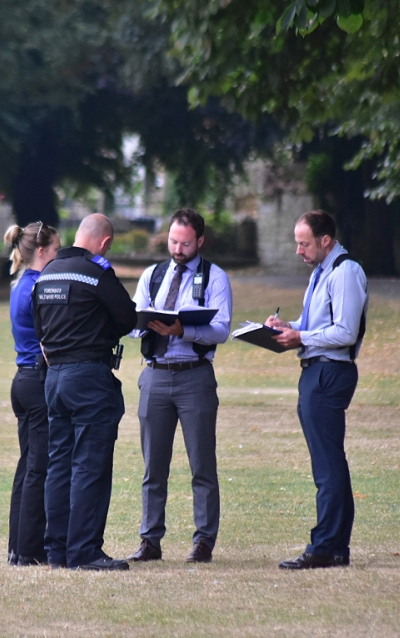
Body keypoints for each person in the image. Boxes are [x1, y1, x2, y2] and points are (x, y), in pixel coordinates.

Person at [125, 209, 232, 564]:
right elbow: (132, 321)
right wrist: (144, 323)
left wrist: (183, 330)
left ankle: (204, 541)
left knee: (202, 464)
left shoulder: (214, 277)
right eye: (173, 241)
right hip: (155, 374)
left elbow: (221, 329)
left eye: (185, 243)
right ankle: (149, 540)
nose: (178, 248)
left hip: (194, 375)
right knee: (153, 466)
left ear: (200, 241)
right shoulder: (153, 275)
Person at [32, 213, 137, 571]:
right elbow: (126, 317)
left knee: (59, 464)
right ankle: (85, 551)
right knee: (90, 464)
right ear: (105, 243)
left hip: (54, 378)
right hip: (89, 377)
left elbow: (39, 327)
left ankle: (58, 551)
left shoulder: (45, 275)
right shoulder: (95, 273)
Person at [266, 210, 368, 570]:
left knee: (327, 466)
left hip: (330, 373)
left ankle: (325, 545)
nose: (298, 251)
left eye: (304, 243)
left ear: (326, 240)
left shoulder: (345, 272)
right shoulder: (320, 274)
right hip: (316, 371)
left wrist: (301, 336)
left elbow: (345, 332)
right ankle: (336, 546)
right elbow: (315, 325)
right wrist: (286, 327)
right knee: (329, 463)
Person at [4, 221, 60, 567]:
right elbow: (47, 342)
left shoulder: (19, 284)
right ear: (41, 251)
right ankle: (29, 551)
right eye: (55, 250)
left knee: (27, 468)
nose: (58, 255)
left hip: (22, 381)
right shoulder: (39, 287)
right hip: (37, 381)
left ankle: (17, 547)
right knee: (39, 468)